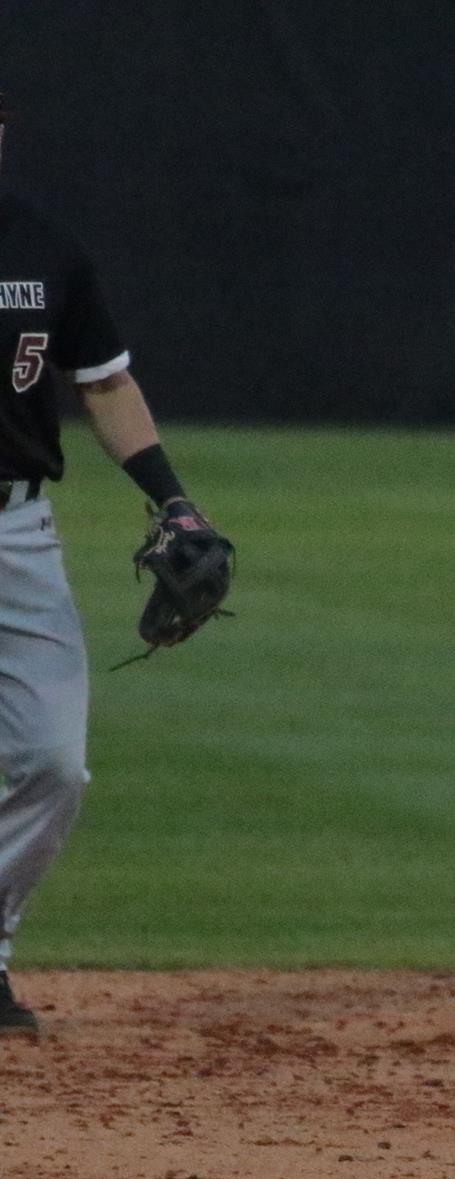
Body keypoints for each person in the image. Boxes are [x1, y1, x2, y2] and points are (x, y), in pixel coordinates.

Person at [0, 95, 234, 1034]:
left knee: (56, 762)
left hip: (16, 530)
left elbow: (106, 383)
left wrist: (172, 496)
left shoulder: (45, 247)